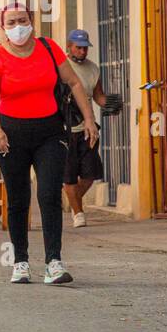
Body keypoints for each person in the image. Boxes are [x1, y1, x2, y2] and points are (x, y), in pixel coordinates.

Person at [0, 4, 98, 285]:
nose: (18, 25)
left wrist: (89, 119)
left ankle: (53, 262)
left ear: (31, 21)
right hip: (10, 134)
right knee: (19, 198)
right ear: (3, 27)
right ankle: (20, 262)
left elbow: (74, 83)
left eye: (22, 20)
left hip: (50, 132)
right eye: (11, 22)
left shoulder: (49, 48)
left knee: (48, 194)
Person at [63, 29, 108, 227]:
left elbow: (98, 95)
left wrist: (112, 103)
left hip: (88, 128)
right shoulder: (61, 67)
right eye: (78, 48)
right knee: (69, 174)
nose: (82, 52)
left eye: (85, 48)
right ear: (69, 47)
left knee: (90, 173)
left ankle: (73, 200)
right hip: (65, 129)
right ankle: (78, 213)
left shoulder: (93, 69)